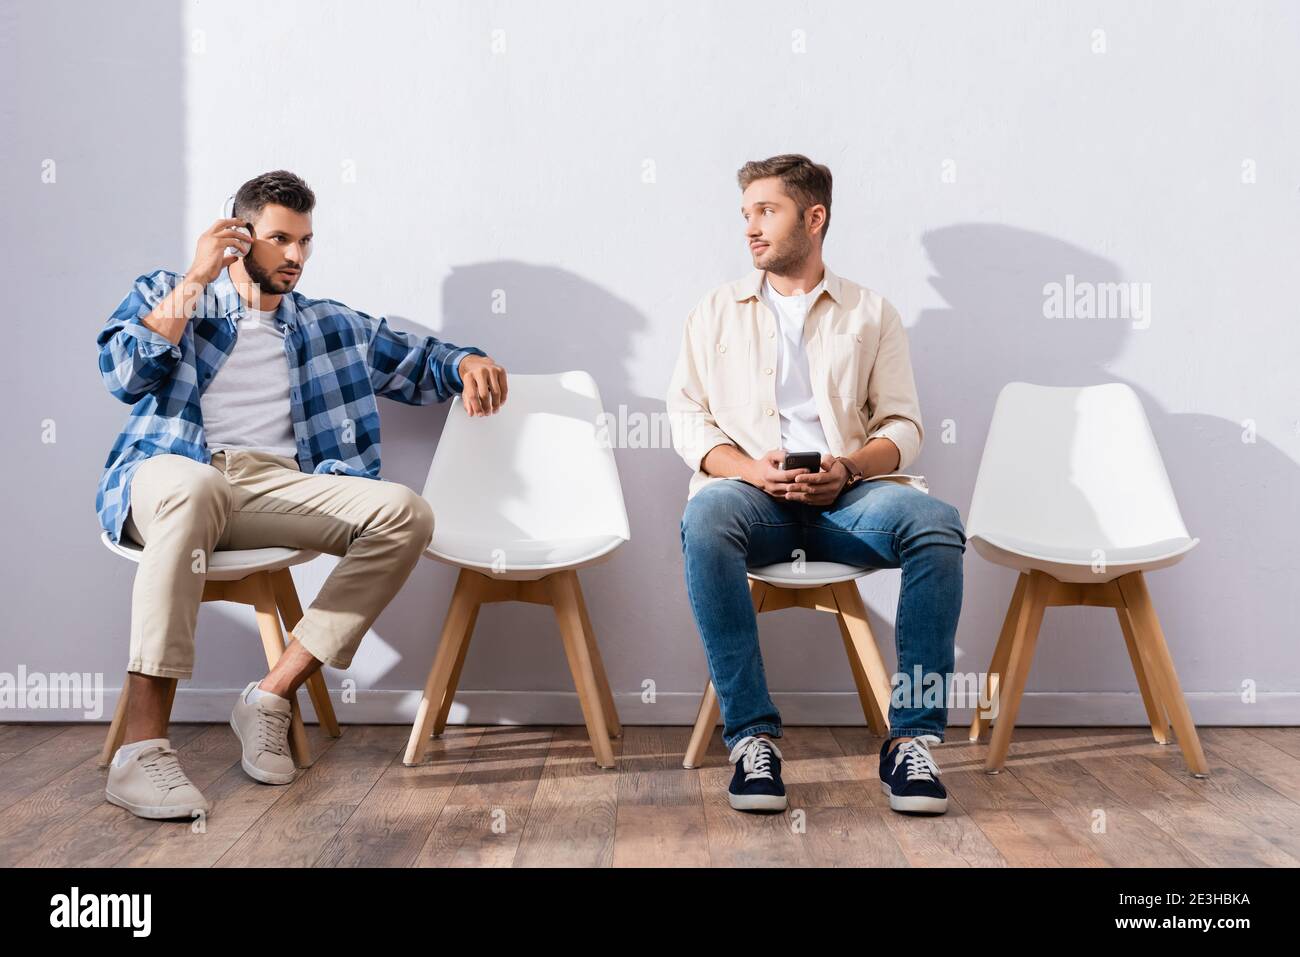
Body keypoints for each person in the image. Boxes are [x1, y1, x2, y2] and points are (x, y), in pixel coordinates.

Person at [95, 170, 508, 820]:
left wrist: (465, 363)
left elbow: (418, 359)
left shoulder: (328, 325)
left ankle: (270, 693)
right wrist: (195, 280)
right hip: (172, 472)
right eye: (281, 239)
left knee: (405, 513)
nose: (295, 256)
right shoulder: (169, 292)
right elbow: (125, 373)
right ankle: (140, 750)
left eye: (305, 241)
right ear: (238, 236)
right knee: (196, 485)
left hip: (271, 486)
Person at [666, 154, 967, 815]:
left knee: (936, 522)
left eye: (766, 211)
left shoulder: (871, 312)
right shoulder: (714, 312)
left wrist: (850, 468)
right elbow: (686, 420)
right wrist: (749, 469)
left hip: (848, 499)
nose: (750, 228)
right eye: (746, 213)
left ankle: (912, 738)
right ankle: (750, 739)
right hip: (751, 499)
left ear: (814, 217)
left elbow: (904, 425)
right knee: (706, 519)